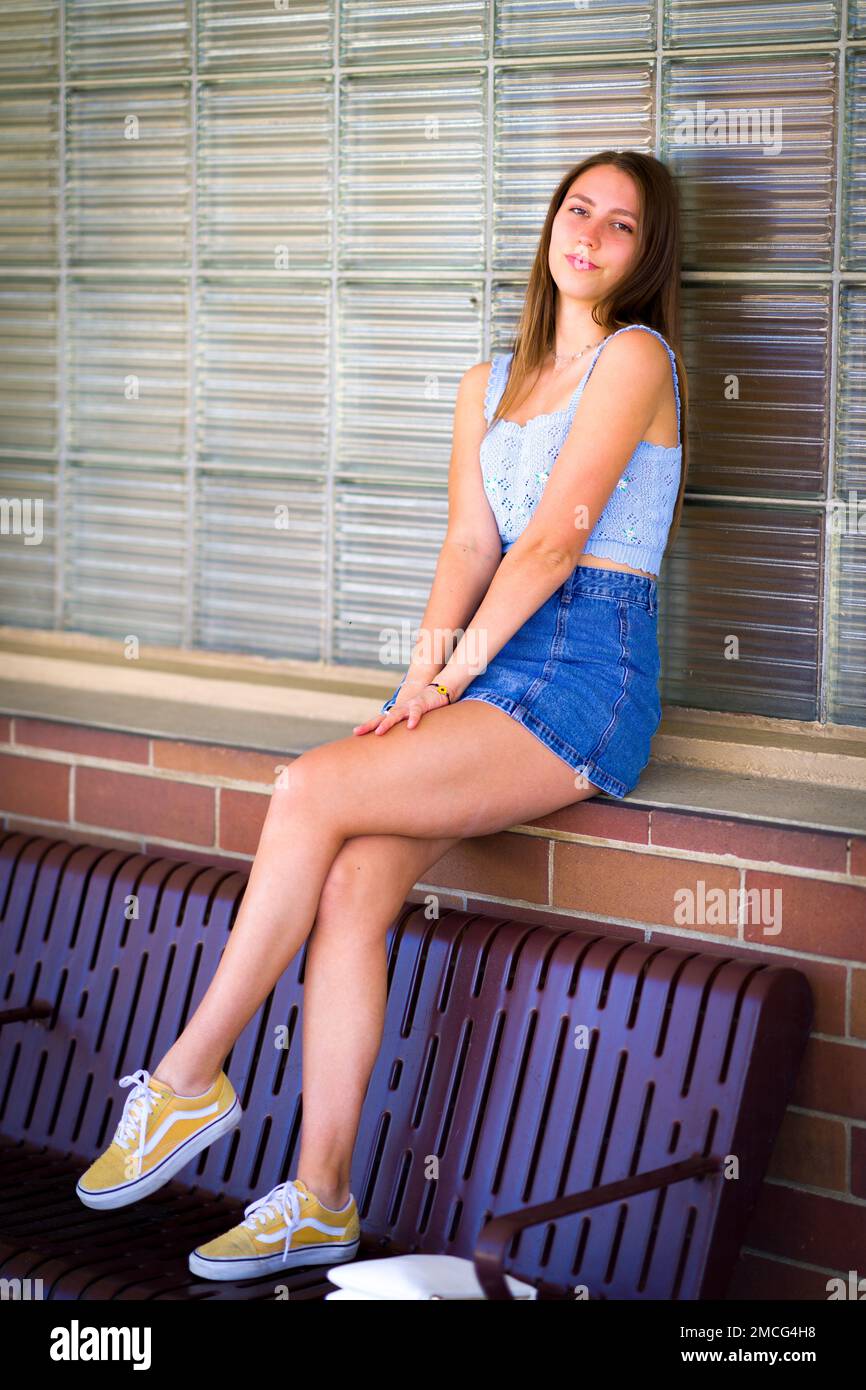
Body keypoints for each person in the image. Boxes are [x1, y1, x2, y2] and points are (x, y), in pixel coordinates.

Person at [75, 149, 687, 1283]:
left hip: (586, 669)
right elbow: (468, 546)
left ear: (642, 254)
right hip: (493, 658)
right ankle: (319, 1198)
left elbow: (555, 539)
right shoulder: (488, 382)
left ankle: (186, 1078)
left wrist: (448, 682)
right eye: (576, 210)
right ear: (549, 225)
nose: (589, 236)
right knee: (353, 876)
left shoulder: (635, 357)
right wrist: (419, 679)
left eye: (619, 225)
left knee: (307, 786)